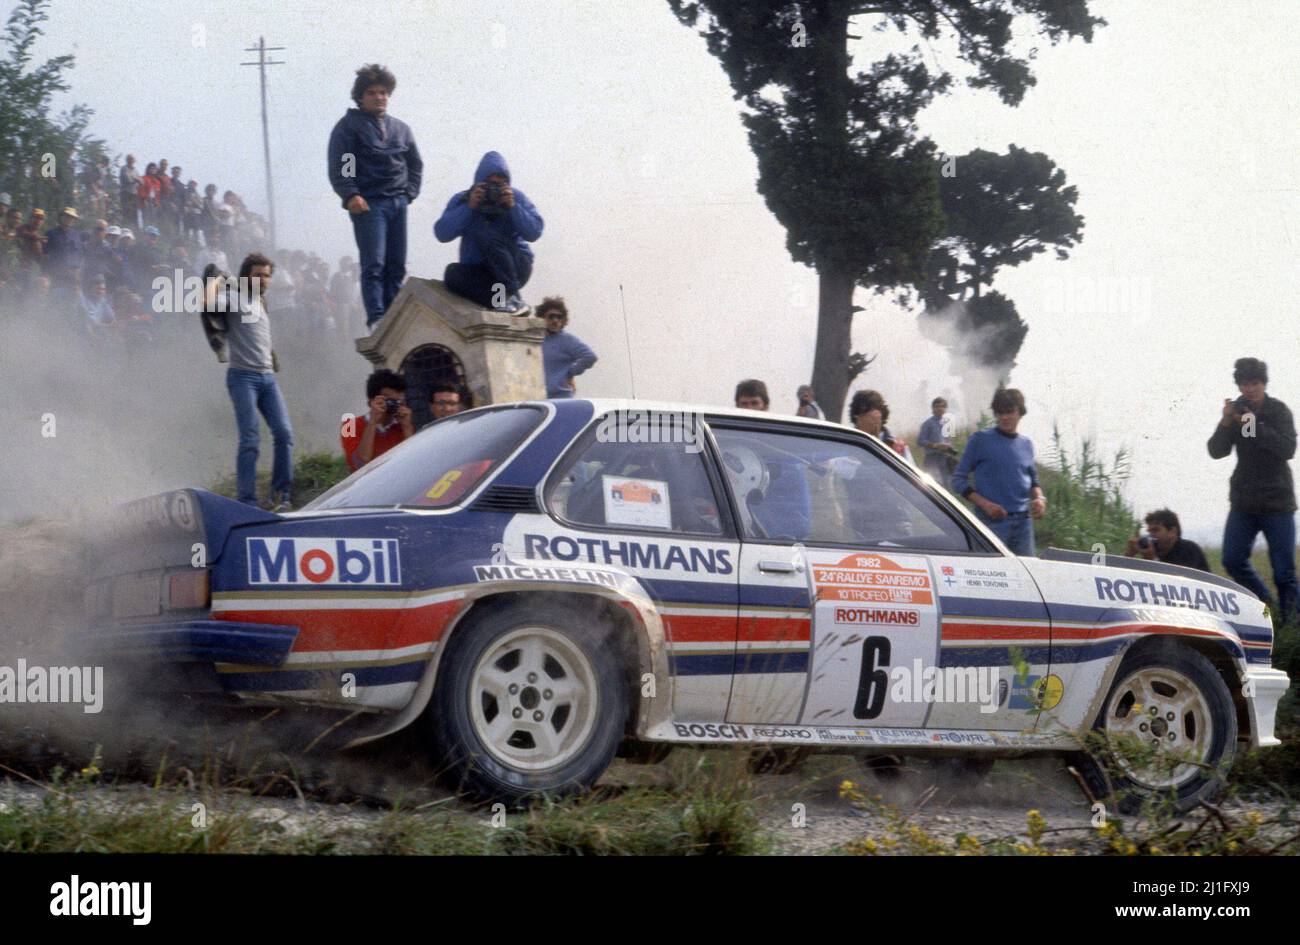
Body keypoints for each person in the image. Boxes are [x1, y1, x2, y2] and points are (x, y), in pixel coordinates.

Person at [328, 63, 423, 328]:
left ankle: (394, 317)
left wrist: (409, 194)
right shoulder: (348, 127)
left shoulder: (401, 129)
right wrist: (351, 195)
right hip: (369, 205)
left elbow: (414, 164)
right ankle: (377, 318)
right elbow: (343, 165)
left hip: (398, 203)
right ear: (361, 96)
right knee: (374, 265)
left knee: (397, 265)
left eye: (383, 92)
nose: (379, 97)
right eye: (372, 92)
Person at [1208, 357, 1298, 622]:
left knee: (1284, 573)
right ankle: (1266, 605)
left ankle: (1291, 624)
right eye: (1244, 384)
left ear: (1263, 383)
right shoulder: (1236, 411)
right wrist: (1226, 422)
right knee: (1232, 560)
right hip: (1245, 503)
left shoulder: (1279, 411)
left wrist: (1251, 422)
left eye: (1254, 383)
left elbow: (1287, 449)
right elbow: (1216, 451)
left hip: (1277, 503)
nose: (1249, 389)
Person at [204, 253, 294, 510]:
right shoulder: (234, 298)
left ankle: (280, 496)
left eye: (266, 275)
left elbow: (260, 336)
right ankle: (246, 501)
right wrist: (215, 278)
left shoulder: (261, 303)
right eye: (258, 275)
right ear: (246, 277)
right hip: (243, 377)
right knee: (250, 439)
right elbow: (205, 302)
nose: (263, 280)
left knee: (284, 433)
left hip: (267, 377)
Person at [434, 150, 543, 314]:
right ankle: (500, 303)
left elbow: (534, 232)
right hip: (485, 275)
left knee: (485, 233)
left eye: (499, 184)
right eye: (489, 184)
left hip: (515, 267)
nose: (494, 190)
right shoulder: (464, 199)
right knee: (452, 274)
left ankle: (514, 297)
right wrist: (468, 207)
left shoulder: (516, 197)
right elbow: (442, 233)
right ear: (479, 183)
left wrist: (513, 207)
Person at [951, 388, 1046, 555]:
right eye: (999, 412)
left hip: (1024, 525)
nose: (1004, 417)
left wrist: (1039, 498)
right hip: (992, 523)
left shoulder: (1026, 444)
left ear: (1020, 412)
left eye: (1010, 412)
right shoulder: (980, 440)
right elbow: (958, 480)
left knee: (1026, 576)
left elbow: (1033, 482)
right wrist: (985, 504)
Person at [341, 369, 414, 471]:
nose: (395, 405)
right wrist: (373, 422)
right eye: (391, 401)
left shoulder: (402, 425)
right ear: (372, 402)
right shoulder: (349, 425)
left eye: (399, 401)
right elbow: (359, 464)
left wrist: (407, 427)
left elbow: (413, 461)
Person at [539, 297, 596, 398]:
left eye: (559, 317)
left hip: (561, 397)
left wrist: (569, 373)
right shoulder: (536, 340)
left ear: (563, 319)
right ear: (542, 318)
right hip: (538, 396)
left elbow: (590, 357)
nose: (555, 320)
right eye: (551, 317)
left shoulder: (567, 340)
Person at [1126, 509, 1210, 573]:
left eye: (1156, 530)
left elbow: (1176, 585)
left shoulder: (1189, 550)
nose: (1151, 535)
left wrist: (1153, 560)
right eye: (1149, 531)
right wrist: (1129, 556)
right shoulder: (1156, 550)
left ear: (1172, 532)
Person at [848, 389, 913, 463]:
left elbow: (910, 472)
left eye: (876, 412)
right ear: (857, 417)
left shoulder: (897, 447)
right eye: (864, 415)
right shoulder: (846, 443)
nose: (871, 421)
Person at [917, 396, 958, 488]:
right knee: (933, 487)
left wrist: (949, 447)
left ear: (945, 409)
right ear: (933, 409)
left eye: (943, 406)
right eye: (937, 406)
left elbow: (949, 440)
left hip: (945, 459)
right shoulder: (928, 424)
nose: (940, 409)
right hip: (931, 460)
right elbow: (920, 441)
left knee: (947, 487)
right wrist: (936, 445)